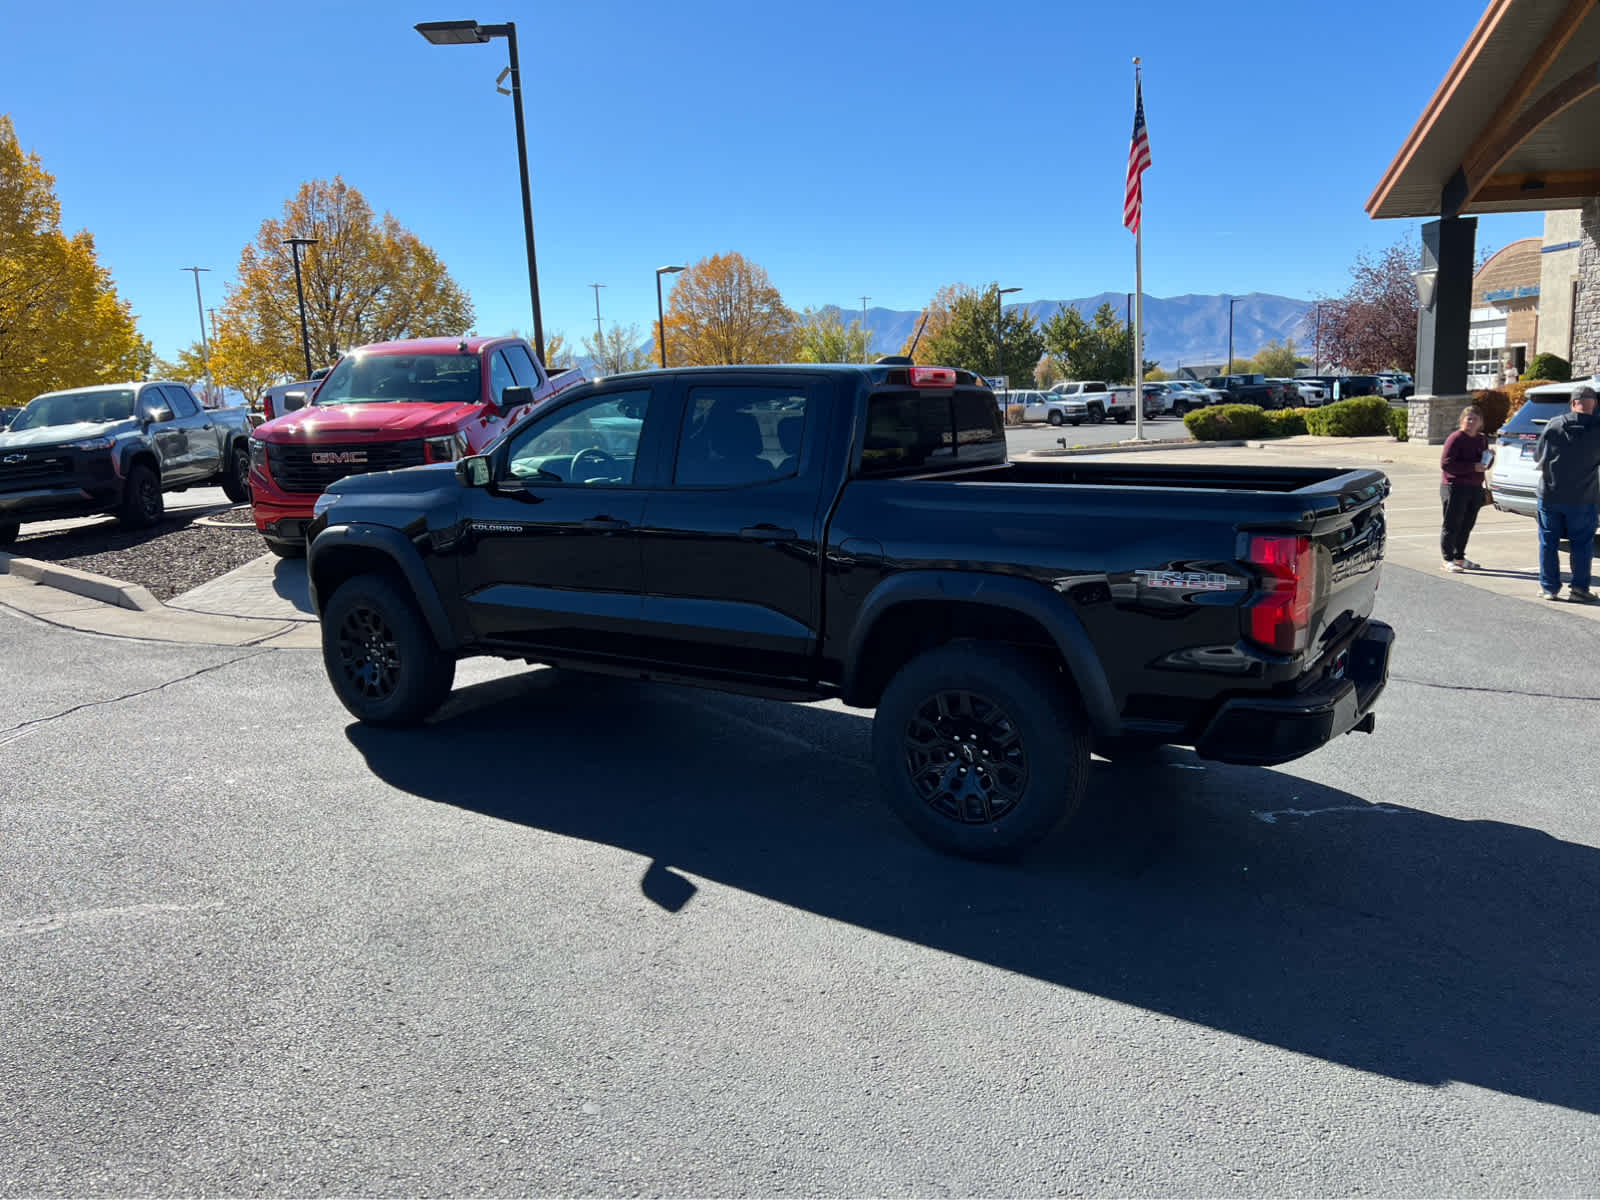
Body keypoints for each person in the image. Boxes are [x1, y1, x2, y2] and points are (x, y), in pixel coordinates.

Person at [1532, 385, 1600, 601]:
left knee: (1548, 542)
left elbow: (1537, 456)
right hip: (1583, 497)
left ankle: (1549, 588)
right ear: (1594, 404)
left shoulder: (1554, 425)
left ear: (1573, 403)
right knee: (1581, 544)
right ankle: (1579, 589)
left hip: (1551, 495)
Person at [1439, 405, 1489, 573]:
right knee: (1452, 524)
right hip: (1454, 486)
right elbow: (1446, 464)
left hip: (1474, 487)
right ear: (1462, 421)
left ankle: (1459, 557)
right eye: (1468, 418)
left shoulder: (1482, 439)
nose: (1471, 422)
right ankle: (1447, 559)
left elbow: (1482, 464)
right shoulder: (1456, 438)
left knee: (1467, 524)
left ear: (1481, 422)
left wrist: (1488, 460)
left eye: (1475, 418)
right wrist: (1472, 467)